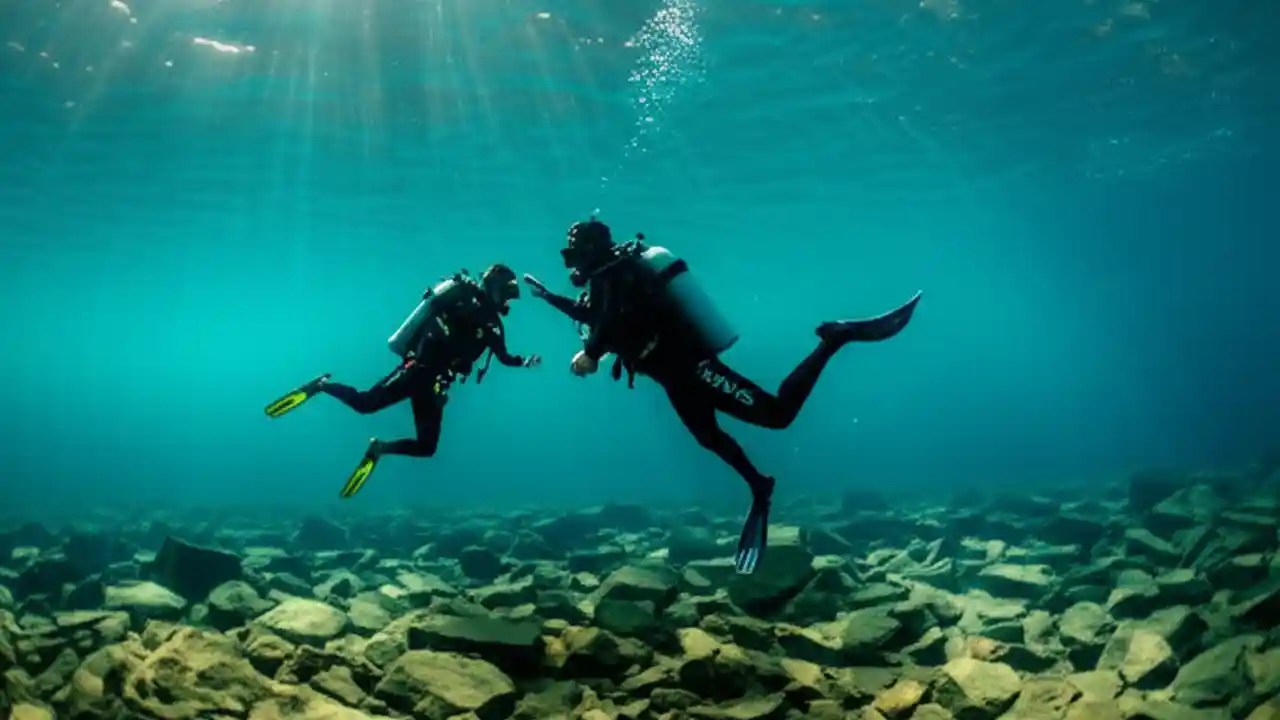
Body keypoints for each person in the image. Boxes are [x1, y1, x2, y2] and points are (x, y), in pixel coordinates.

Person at [524, 219, 920, 574]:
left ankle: (835, 339)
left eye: (573, 253)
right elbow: (593, 314)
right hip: (673, 376)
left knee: (778, 415)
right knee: (707, 437)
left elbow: (606, 323)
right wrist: (549, 299)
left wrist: (590, 355)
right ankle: (759, 486)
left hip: (691, 367)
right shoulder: (610, 277)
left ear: (591, 251)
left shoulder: (617, 274)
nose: (571, 263)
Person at [264, 263, 542, 498]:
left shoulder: (491, 324)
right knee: (365, 404)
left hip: (434, 386)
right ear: (494, 289)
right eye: (506, 294)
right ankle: (320, 385)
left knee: (427, 448)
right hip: (417, 372)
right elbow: (438, 334)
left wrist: (524, 361)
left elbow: (503, 356)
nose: (507, 302)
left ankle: (380, 448)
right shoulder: (464, 304)